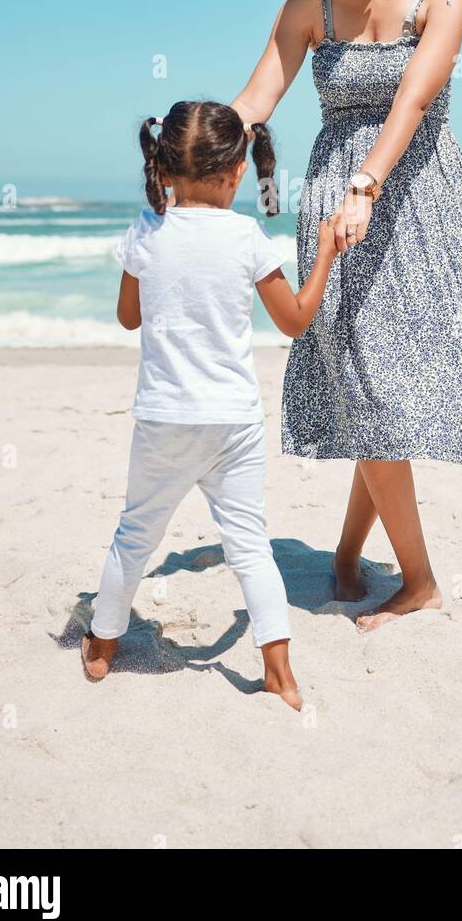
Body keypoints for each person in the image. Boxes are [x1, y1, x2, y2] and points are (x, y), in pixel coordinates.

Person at [230, 0, 462, 633]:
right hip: (333, 201)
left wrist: (365, 187)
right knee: (361, 383)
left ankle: (395, 574)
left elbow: (411, 103)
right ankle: (375, 567)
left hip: (414, 197)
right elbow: (256, 99)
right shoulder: (312, 0)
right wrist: (185, 151)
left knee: (388, 389)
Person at [82, 100, 336, 709]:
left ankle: (102, 644)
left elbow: (127, 318)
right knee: (249, 544)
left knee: (136, 534)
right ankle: (279, 671)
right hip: (233, 421)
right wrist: (325, 248)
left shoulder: (147, 230)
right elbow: (297, 321)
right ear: (238, 171)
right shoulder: (248, 236)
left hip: (165, 416)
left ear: (164, 167)